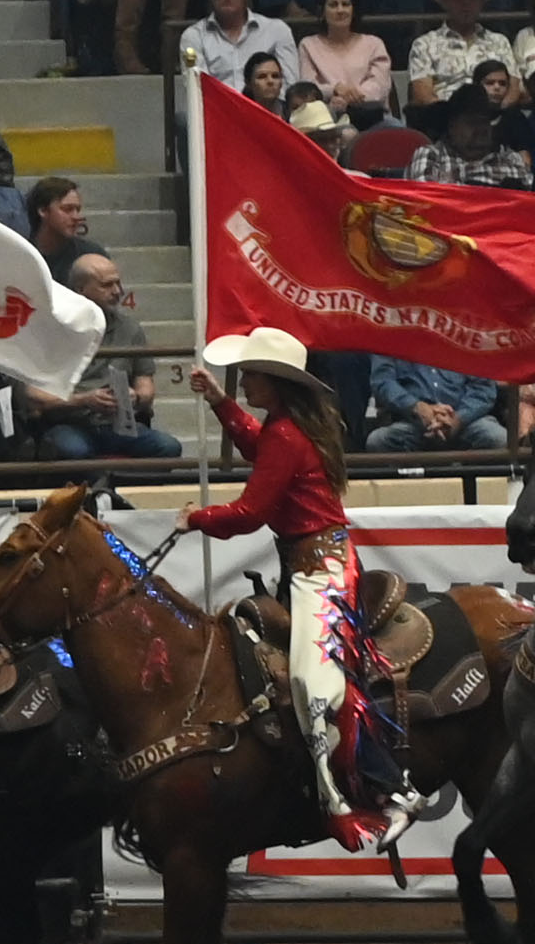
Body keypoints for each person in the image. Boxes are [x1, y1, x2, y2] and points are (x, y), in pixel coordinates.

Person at [164, 328, 383, 844]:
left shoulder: (286, 435)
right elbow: (259, 448)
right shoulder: (286, 430)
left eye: (250, 375)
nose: (242, 383)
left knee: (310, 680)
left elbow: (250, 512)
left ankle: (354, 791)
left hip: (320, 571)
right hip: (315, 563)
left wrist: (198, 519)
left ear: (274, 382)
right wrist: (219, 403)